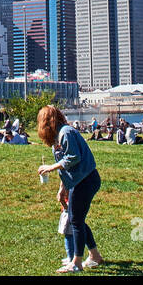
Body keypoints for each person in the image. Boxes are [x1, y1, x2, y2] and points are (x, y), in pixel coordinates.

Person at [37, 106, 104, 273]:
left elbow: (73, 158)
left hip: (86, 180)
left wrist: (50, 167)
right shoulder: (57, 138)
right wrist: (63, 188)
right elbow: (65, 169)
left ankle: (76, 262)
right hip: (77, 182)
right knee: (77, 219)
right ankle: (95, 256)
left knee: (76, 220)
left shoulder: (65, 133)